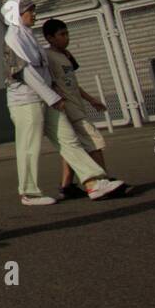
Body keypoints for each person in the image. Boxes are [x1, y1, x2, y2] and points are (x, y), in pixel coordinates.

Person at [2, 0, 125, 205]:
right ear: (16, 13)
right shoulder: (13, 37)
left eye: (33, 9)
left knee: (68, 139)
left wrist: (52, 94)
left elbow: (43, 70)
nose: (34, 14)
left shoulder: (29, 36)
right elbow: (26, 72)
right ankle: (29, 193)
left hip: (46, 98)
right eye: (29, 10)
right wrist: (52, 97)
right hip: (25, 101)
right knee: (29, 146)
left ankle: (94, 183)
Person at [43, 18, 110, 200]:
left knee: (72, 146)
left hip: (76, 104)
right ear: (50, 37)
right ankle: (103, 180)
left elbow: (73, 83)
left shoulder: (67, 55)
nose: (66, 38)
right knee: (94, 140)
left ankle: (66, 187)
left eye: (67, 33)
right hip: (67, 106)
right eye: (62, 34)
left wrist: (91, 99)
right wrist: (58, 99)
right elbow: (49, 82)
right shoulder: (47, 57)